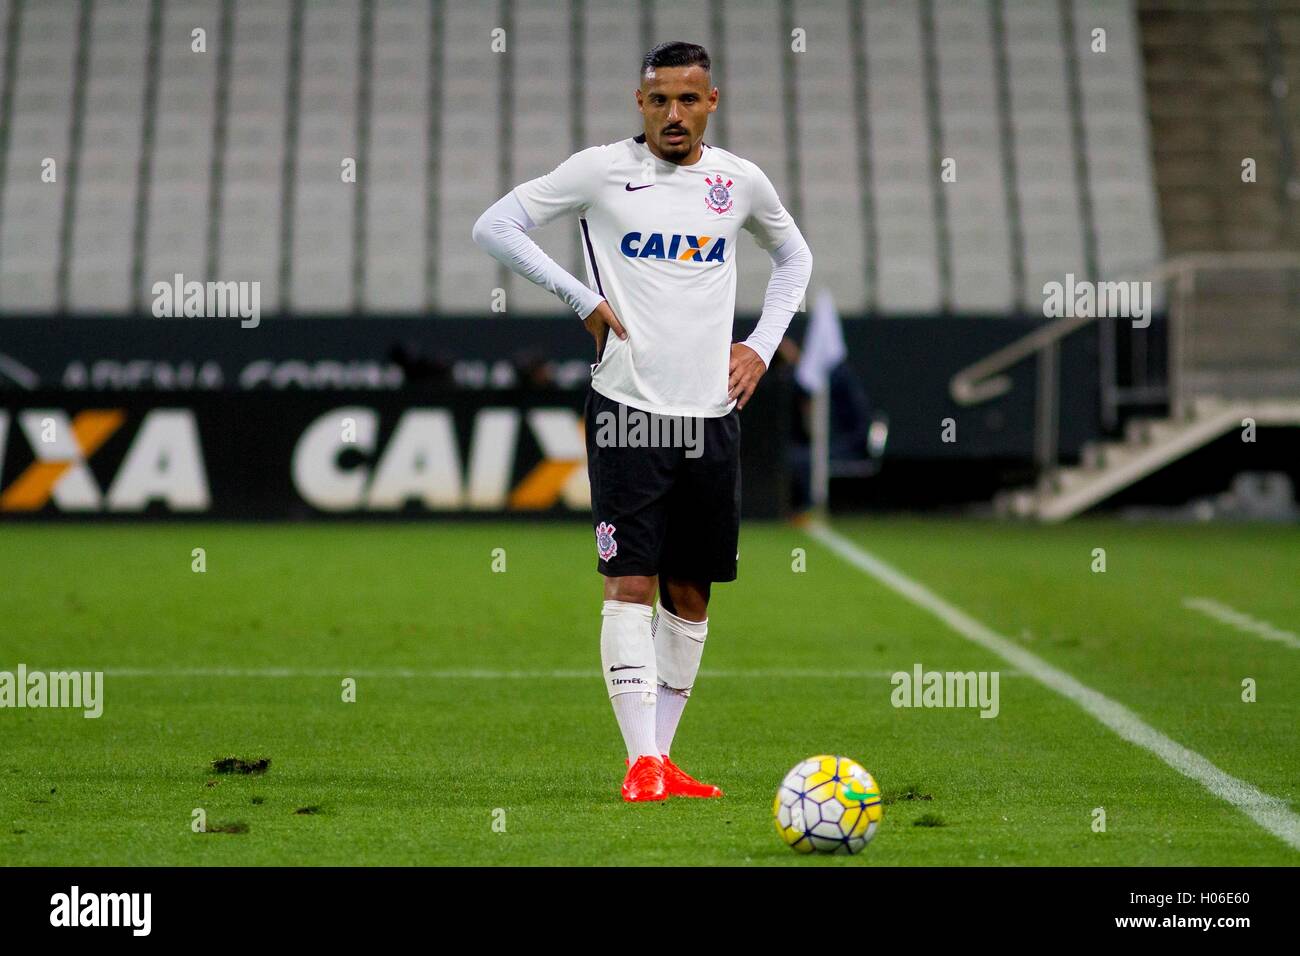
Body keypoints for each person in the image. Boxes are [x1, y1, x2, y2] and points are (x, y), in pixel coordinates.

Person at [472, 41, 812, 802]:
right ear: (641, 103)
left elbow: (794, 259)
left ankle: (662, 758)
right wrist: (580, 299)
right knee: (630, 579)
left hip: (709, 416)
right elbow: (495, 226)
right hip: (629, 410)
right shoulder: (600, 170)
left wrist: (758, 348)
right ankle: (638, 763)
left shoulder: (739, 182)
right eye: (659, 100)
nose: (673, 114)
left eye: (688, 99)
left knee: (691, 592)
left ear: (711, 102)